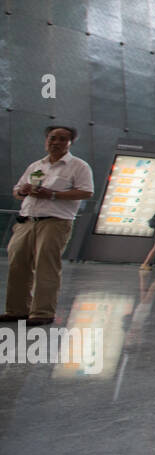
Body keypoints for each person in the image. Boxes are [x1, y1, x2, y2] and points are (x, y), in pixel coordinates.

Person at [1, 125, 94, 326]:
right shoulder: (36, 166)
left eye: (62, 139)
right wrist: (24, 191)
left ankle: (42, 312)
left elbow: (86, 192)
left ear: (70, 143)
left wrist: (52, 195)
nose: (56, 142)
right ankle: (16, 310)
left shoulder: (78, 166)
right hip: (26, 221)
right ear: (46, 141)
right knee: (18, 265)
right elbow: (17, 191)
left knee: (46, 266)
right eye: (52, 138)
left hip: (54, 222)